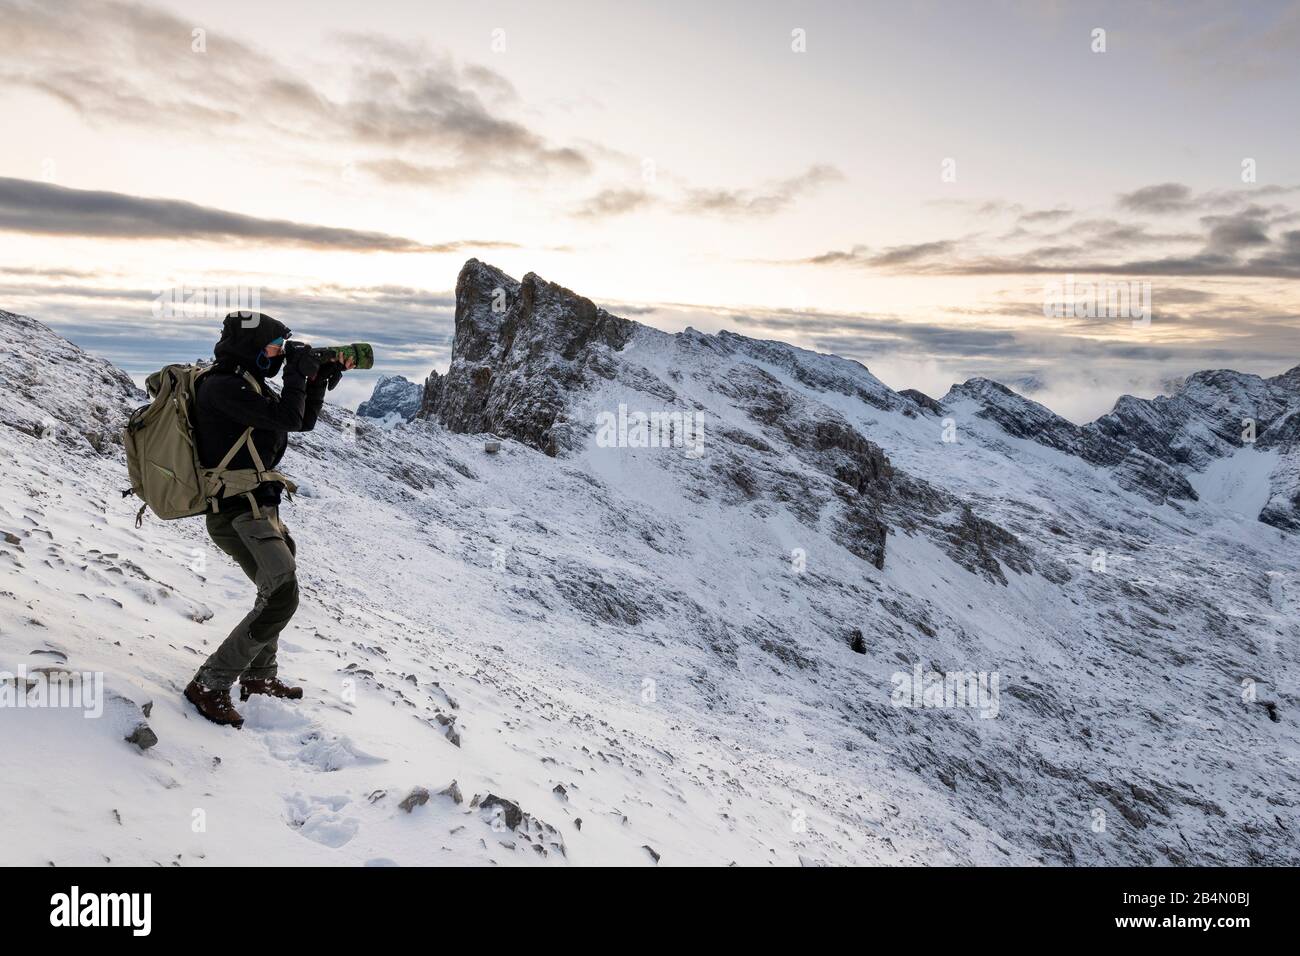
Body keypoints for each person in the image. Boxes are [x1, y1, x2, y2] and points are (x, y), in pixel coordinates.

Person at [183, 311, 354, 728]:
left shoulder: (247, 384)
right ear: (249, 347)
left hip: (259, 510)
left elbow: (302, 422)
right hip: (237, 514)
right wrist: (297, 374)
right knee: (281, 596)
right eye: (274, 347)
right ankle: (210, 683)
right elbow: (289, 419)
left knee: (277, 587)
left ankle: (258, 678)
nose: (278, 355)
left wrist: (314, 382)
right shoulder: (222, 386)